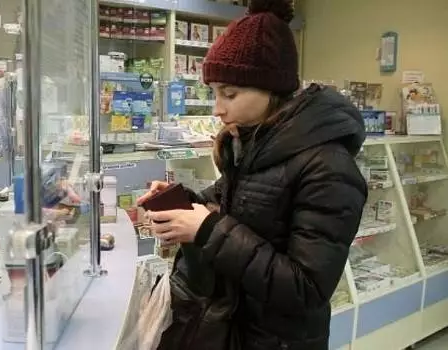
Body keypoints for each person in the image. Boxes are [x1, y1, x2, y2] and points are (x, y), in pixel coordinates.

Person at [137, 1, 368, 349]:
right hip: (233, 328)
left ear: (273, 90)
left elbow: (307, 289)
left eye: (230, 94)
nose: (218, 108)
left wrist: (208, 230)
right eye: (214, 93)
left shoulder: (329, 167)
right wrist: (183, 203)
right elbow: (231, 205)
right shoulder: (248, 143)